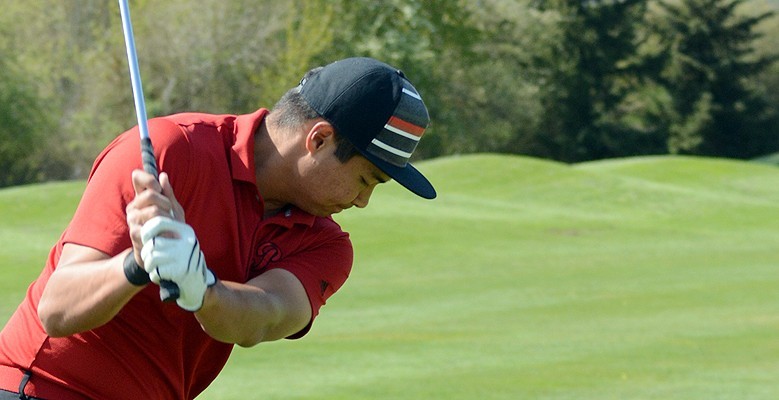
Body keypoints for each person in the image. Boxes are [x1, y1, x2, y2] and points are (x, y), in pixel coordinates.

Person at [0, 57, 435, 399]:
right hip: (38, 386)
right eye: (365, 180)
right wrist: (139, 264)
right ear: (318, 139)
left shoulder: (327, 244)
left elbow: (263, 318)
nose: (362, 201)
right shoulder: (174, 149)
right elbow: (57, 310)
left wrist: (200, 287)